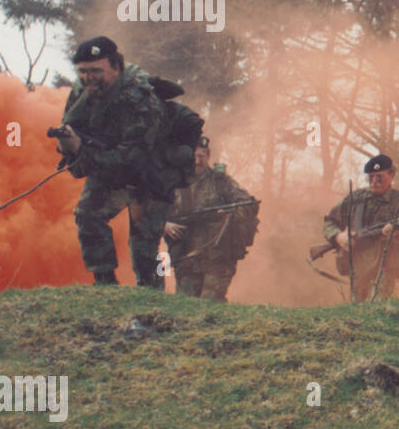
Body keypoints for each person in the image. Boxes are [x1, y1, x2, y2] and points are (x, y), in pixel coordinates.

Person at [55, 36, 173, 287]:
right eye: (83, 71)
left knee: (144, 246)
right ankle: (105, 285)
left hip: (150, 173)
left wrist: (84, 152)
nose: (88, 78)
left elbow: (132, 158)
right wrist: (70, 145)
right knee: (87, 215)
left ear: (115, 67)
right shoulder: (81, 91)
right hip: (109, 166)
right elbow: (71, 126)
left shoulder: (140, 96)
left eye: (96, 71)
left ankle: (151, 304)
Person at [163, 138, 258, 301]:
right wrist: (164, 225)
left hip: (217, 257)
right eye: (194, 156)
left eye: (202, 156)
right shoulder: (176, 182)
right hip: (186, 257)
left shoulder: (220, 181)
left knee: (209, 303)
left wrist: (228, 214)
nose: (198, 161)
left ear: (208, 156)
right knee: (185, 306)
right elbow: (155, 211)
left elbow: (248, 204)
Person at [322, 154, 399, 301]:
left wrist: (398, 233)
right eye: (371, 177)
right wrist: (339, 237)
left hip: (387, 267)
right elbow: (329, 221)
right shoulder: (356, 199)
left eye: (379, 177)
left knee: (378, 308)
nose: (374, 181)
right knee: (357, 313)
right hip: (359, 267)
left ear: (392, 175)